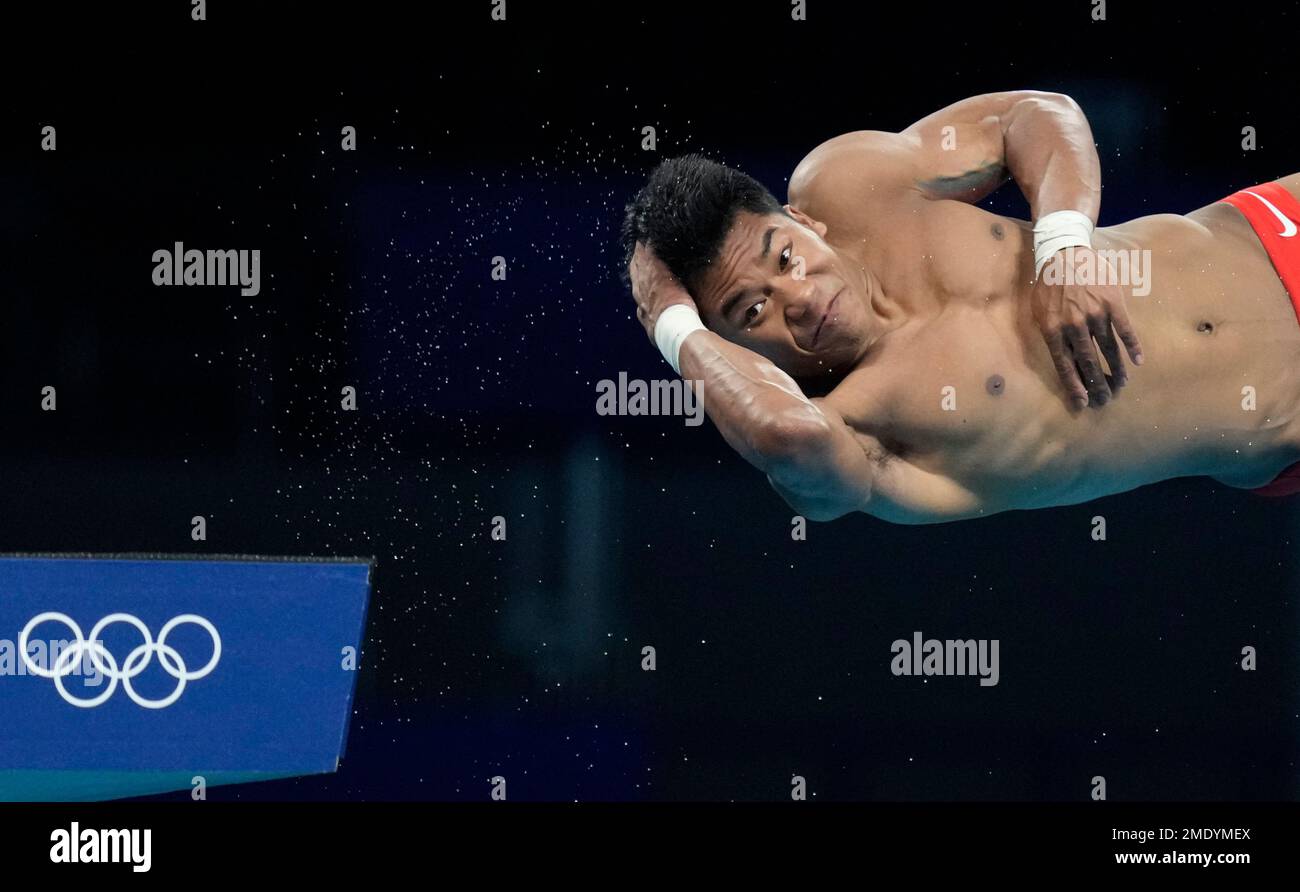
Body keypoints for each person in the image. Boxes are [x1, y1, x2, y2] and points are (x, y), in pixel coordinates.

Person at [622, 91, 1300, 523]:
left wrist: (1064, 245)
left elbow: (1032, 115)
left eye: (784, 255)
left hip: (1278, 223)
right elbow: (784, 438)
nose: (799, 298)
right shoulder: (852, 428)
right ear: (733, 348)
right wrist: (669, 324)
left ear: (804, 221)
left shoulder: (852, 187)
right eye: (751, 312)